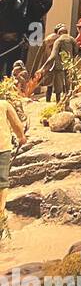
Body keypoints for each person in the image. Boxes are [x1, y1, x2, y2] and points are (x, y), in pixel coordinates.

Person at [0, 91, 26, 224]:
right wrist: (21, 136)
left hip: (3, 146)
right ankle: (0, 211)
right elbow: (16, 124)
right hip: (2, 147)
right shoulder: (4, 105)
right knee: (2, 180)